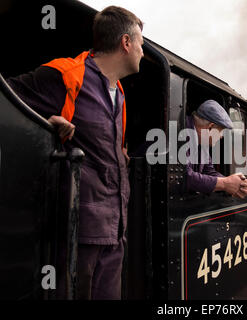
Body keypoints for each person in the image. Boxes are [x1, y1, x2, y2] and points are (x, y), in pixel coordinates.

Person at [6, 6, 144, 299]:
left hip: (114, 230)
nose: (143, 53)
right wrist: (42, 124)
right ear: (126, 43)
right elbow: (7, 102)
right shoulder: (66, 74)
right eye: (141, 45)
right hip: (77, 233)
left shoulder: (119, 93)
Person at [186, 100, 247, 198]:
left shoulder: (203, 142)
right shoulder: (179, 133)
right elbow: (184, 176)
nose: (221, 137)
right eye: (221, 132)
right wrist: (225, 183)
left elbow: (209, 171)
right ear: (210, 127)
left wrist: (235, 184)